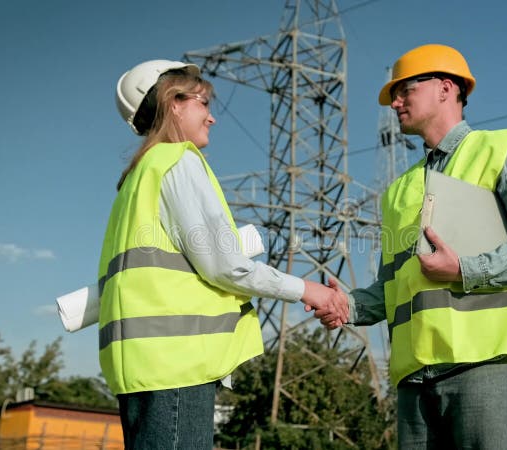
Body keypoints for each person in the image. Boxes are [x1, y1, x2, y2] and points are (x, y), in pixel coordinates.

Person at [325, 44, 507, 449]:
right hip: (416, 382)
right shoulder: (399, 191)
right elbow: (395, 286)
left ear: (445, 87)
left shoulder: (504, 151)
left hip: (489, 369)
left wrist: (465, 270)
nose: (395, 103)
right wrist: (347, 305)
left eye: (404, 90)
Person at [98, 59, 348, 449]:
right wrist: (310, 291)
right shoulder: (176, 160)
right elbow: (225, 265)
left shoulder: (137, 178)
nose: (211, 118)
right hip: (176, 365)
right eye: (203, 103)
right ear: (173, 103)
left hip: (141, 368)